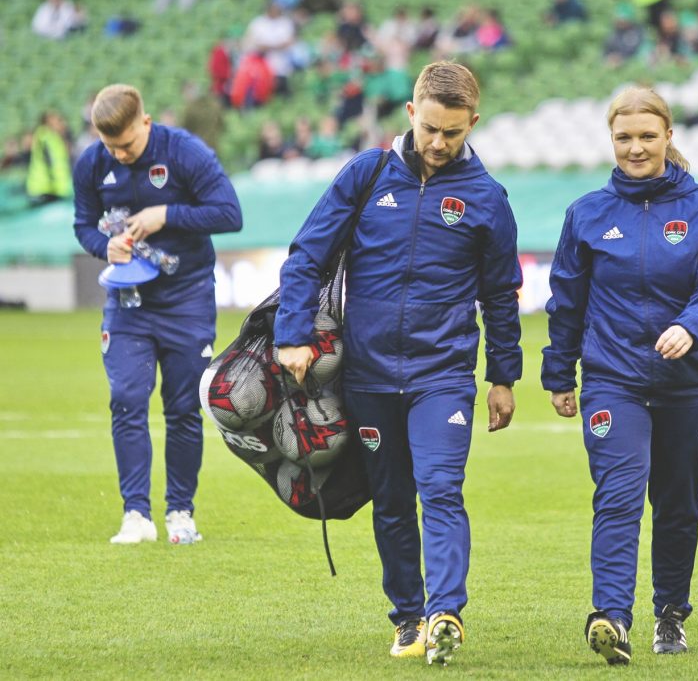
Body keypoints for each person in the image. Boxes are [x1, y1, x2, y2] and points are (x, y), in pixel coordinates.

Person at [275, 61, 522, 666]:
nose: (439, 143)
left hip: (443, 375)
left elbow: (500, 294)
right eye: (431, 128)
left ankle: (445, 612)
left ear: (473, 124)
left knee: (440, 486)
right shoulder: (366, 175)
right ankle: (408, 618)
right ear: (411, 113)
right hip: (368, 374)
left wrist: (503, 376)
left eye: (453, 133)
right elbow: (307, 255)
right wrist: (292, 335)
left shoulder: (487, 198)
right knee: (390, 499)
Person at [542, 87, 698, 665]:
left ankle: (671, 615)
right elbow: (566, 301)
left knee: (677, 504)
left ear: (668, 137)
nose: (635, 148)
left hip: (689, 384)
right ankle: (610, 617)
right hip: (613, 379)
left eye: (647, 137)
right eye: (624, 137)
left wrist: (692, 324)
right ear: (612, 140)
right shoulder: (586, 213)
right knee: (619, 494)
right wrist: (559, 373)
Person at [71, 84, 242, 544]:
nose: (120, 155)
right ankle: (135, 515)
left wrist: (167, 214)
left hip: (187, 300)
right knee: (127, 397)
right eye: (111, 147)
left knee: (184, 408)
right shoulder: (91, 162)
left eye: (127, 144)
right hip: (128, 305)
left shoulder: (185, 152)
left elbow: (229, 213)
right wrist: (102, 246)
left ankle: (181, 513)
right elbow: (84, 224)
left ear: (145, 122)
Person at [26, 110, 73, 206]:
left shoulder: (54, 138)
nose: (61, 123)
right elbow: (50, 163)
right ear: (48, 122)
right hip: (44, 190)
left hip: (53, 189)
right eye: (57, 120)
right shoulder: (45, 137)